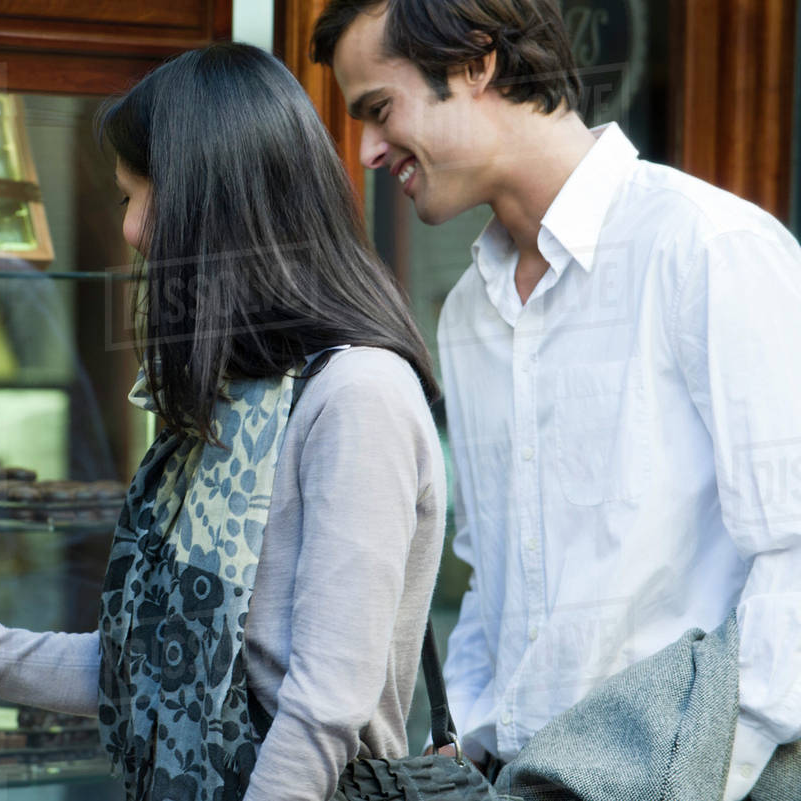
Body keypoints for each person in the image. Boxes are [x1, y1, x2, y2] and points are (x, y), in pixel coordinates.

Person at [0, 43, 448, 801]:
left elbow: (322, 712)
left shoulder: (357, 395)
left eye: (135, 196)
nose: (132, 229)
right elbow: (128, 668)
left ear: (205, 204)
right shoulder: (233, 400)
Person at [310, 1, 801, 799]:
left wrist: (705, 771)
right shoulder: (469, 313)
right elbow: (494, 580)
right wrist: (469, 745)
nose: (365, 149)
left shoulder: (708, 248)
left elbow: (794, 552)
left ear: (476, 63)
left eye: (379, 108)